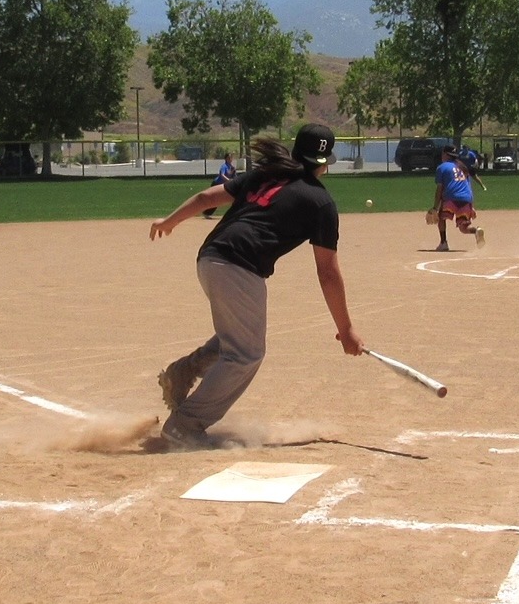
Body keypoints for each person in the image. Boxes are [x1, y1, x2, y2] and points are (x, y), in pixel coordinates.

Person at [149, 123, 364, 449]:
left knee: (238, 338)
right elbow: (328, 273)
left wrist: (170, 221)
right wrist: (345, 329)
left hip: (210, 257)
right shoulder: (321, 202)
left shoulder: (266, 175)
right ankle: (184, 425)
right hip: (240, 266)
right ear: (325, 163)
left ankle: (183, 372)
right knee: (246, 354)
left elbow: (207, 197)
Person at [429, 143, 487, 251]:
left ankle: (443, 243)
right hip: (466, 199)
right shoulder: (462, 167)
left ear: (446, 154)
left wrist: (435, 208)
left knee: (441, 217)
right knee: (464, 228)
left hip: (451, 198)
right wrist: (471, 206)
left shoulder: (442, 167)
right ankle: (476, 231)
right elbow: (468, 187)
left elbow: (439, 189)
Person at [202, 151, 235, 219]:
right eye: (229, 158)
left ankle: (207, 213)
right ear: (226, 159)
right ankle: (206, 213)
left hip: (223, 185)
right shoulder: (224, 166)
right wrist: (229, 180)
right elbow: (222, 175)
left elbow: (234, 176)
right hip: (216, 183)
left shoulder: (231, 167)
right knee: (215, 199)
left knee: (219, 200)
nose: (230, 159)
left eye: (231, 158)